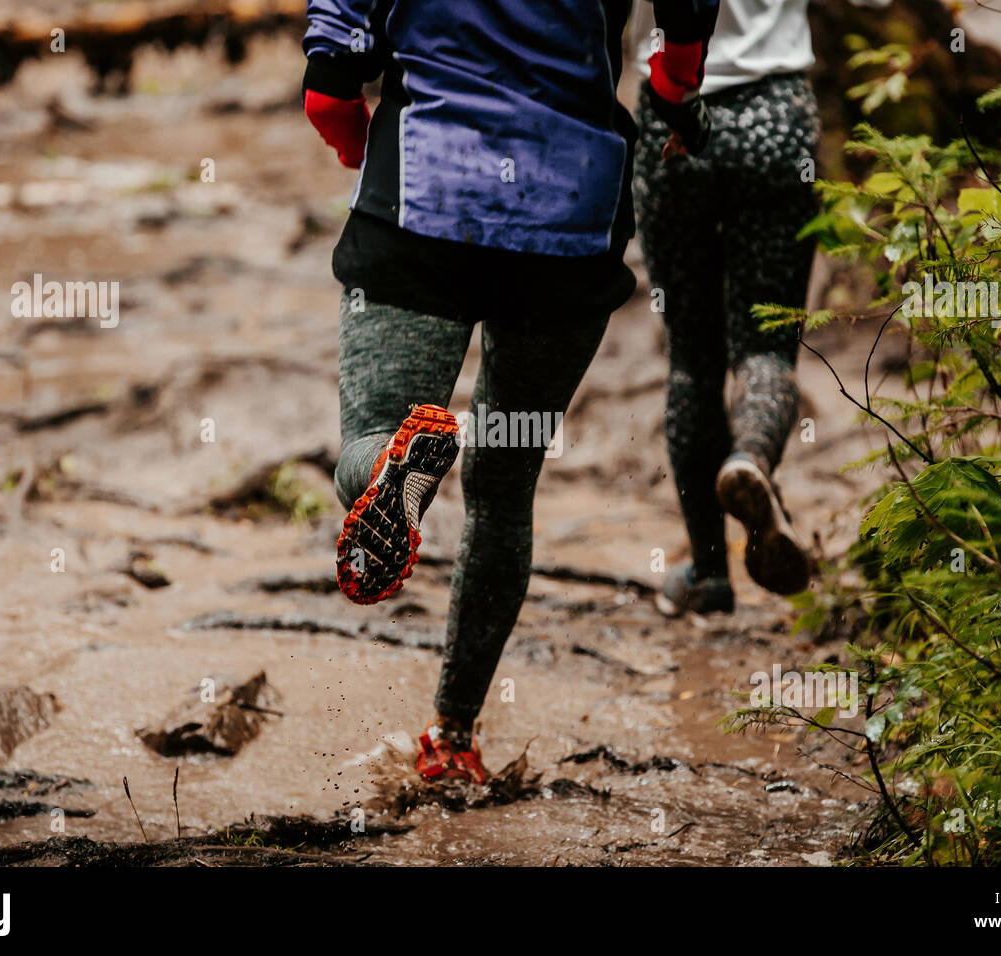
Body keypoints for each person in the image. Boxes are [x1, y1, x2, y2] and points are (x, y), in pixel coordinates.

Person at [302, 1, 719, 782]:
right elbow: (683, 34)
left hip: (419, 197)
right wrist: (674, 92)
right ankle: (453, 737)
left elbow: (329, 90)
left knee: (374, 431)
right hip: (572, 216)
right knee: (503, 484)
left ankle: (393, 466)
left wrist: (367, 158)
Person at [630, 0, 840, 617]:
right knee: (766, 346)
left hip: (670, 114)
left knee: (692, 360)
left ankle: (708, 574)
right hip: (777, 114)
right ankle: (750, 460)